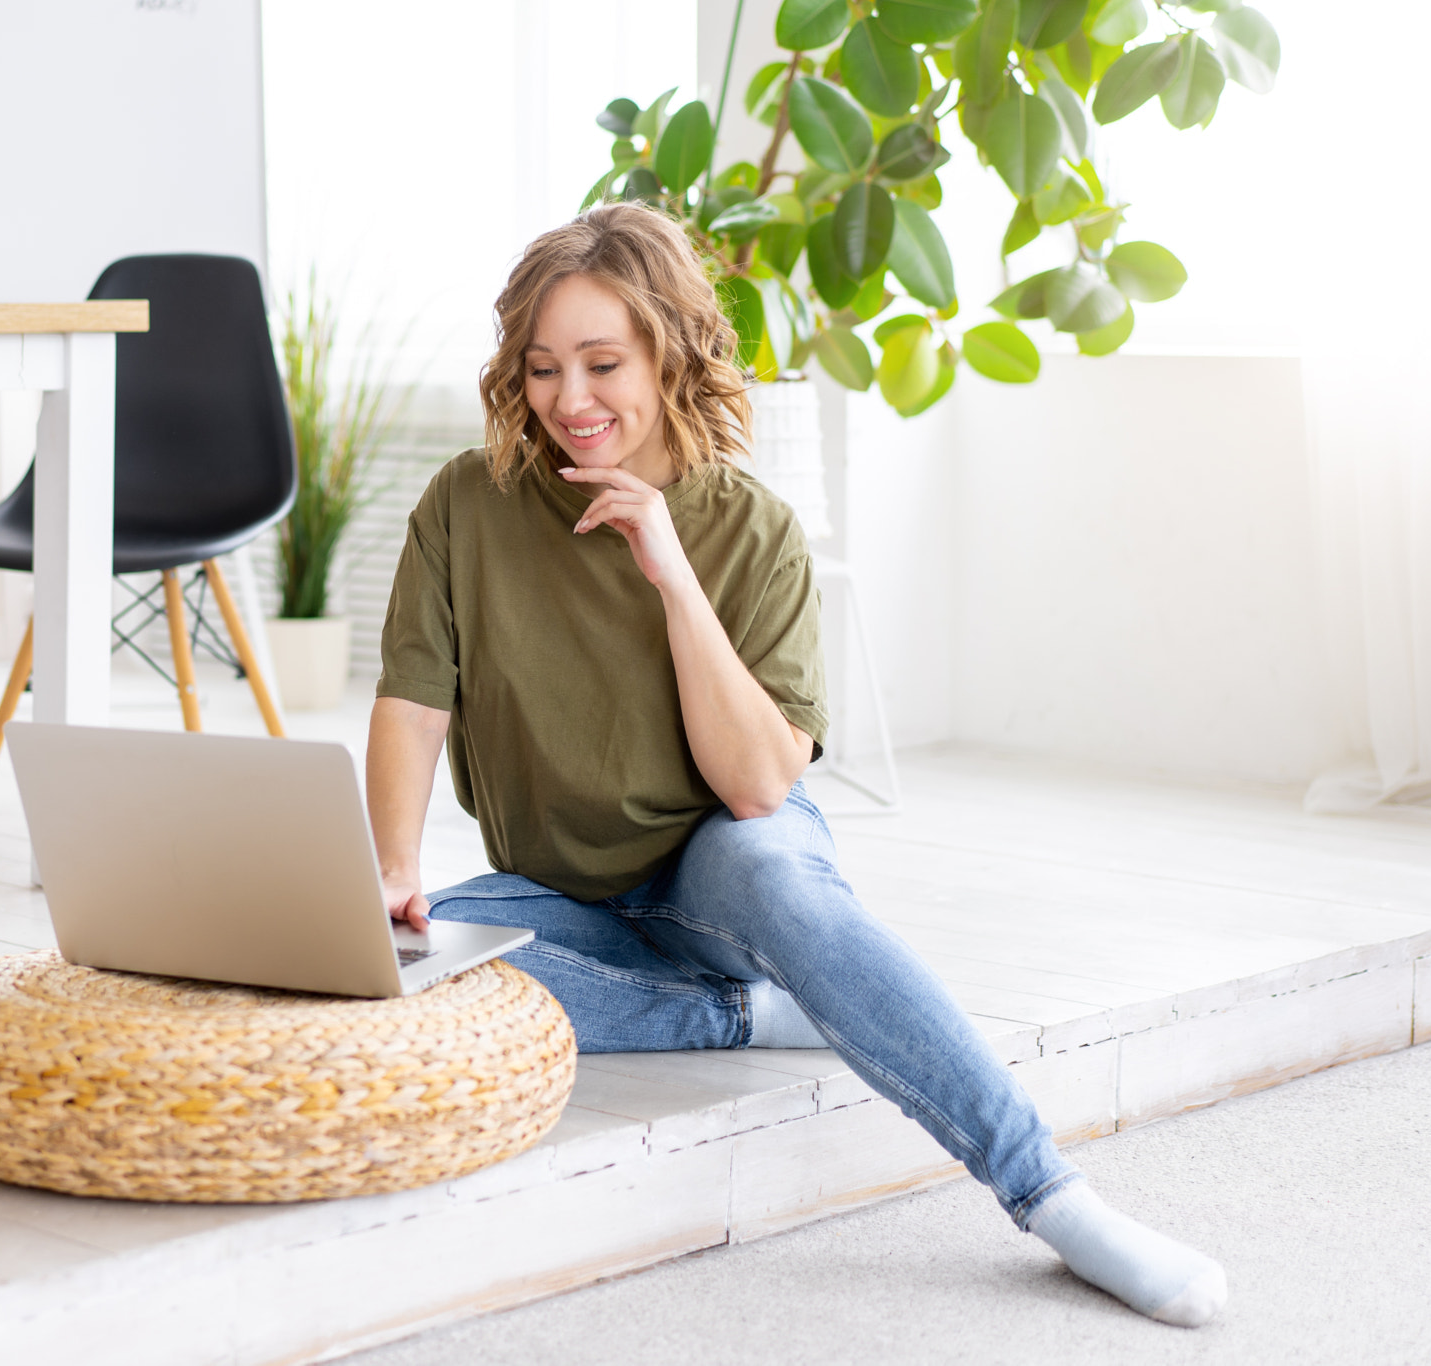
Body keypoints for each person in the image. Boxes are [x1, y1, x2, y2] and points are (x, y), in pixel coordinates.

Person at [364, 201, 1227, 1327]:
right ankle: (744, 1011)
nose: (569, 401)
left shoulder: (753, 530)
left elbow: (757, 787)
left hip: (719, 857)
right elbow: (412, 701)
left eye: (601, 363)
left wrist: (666, 564)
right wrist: (390, 874)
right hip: (566, 888)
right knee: (406, 968)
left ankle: (1052, 1195)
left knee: (777, 877)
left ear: (669, 350)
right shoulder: (463, 507)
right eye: (539, 369)